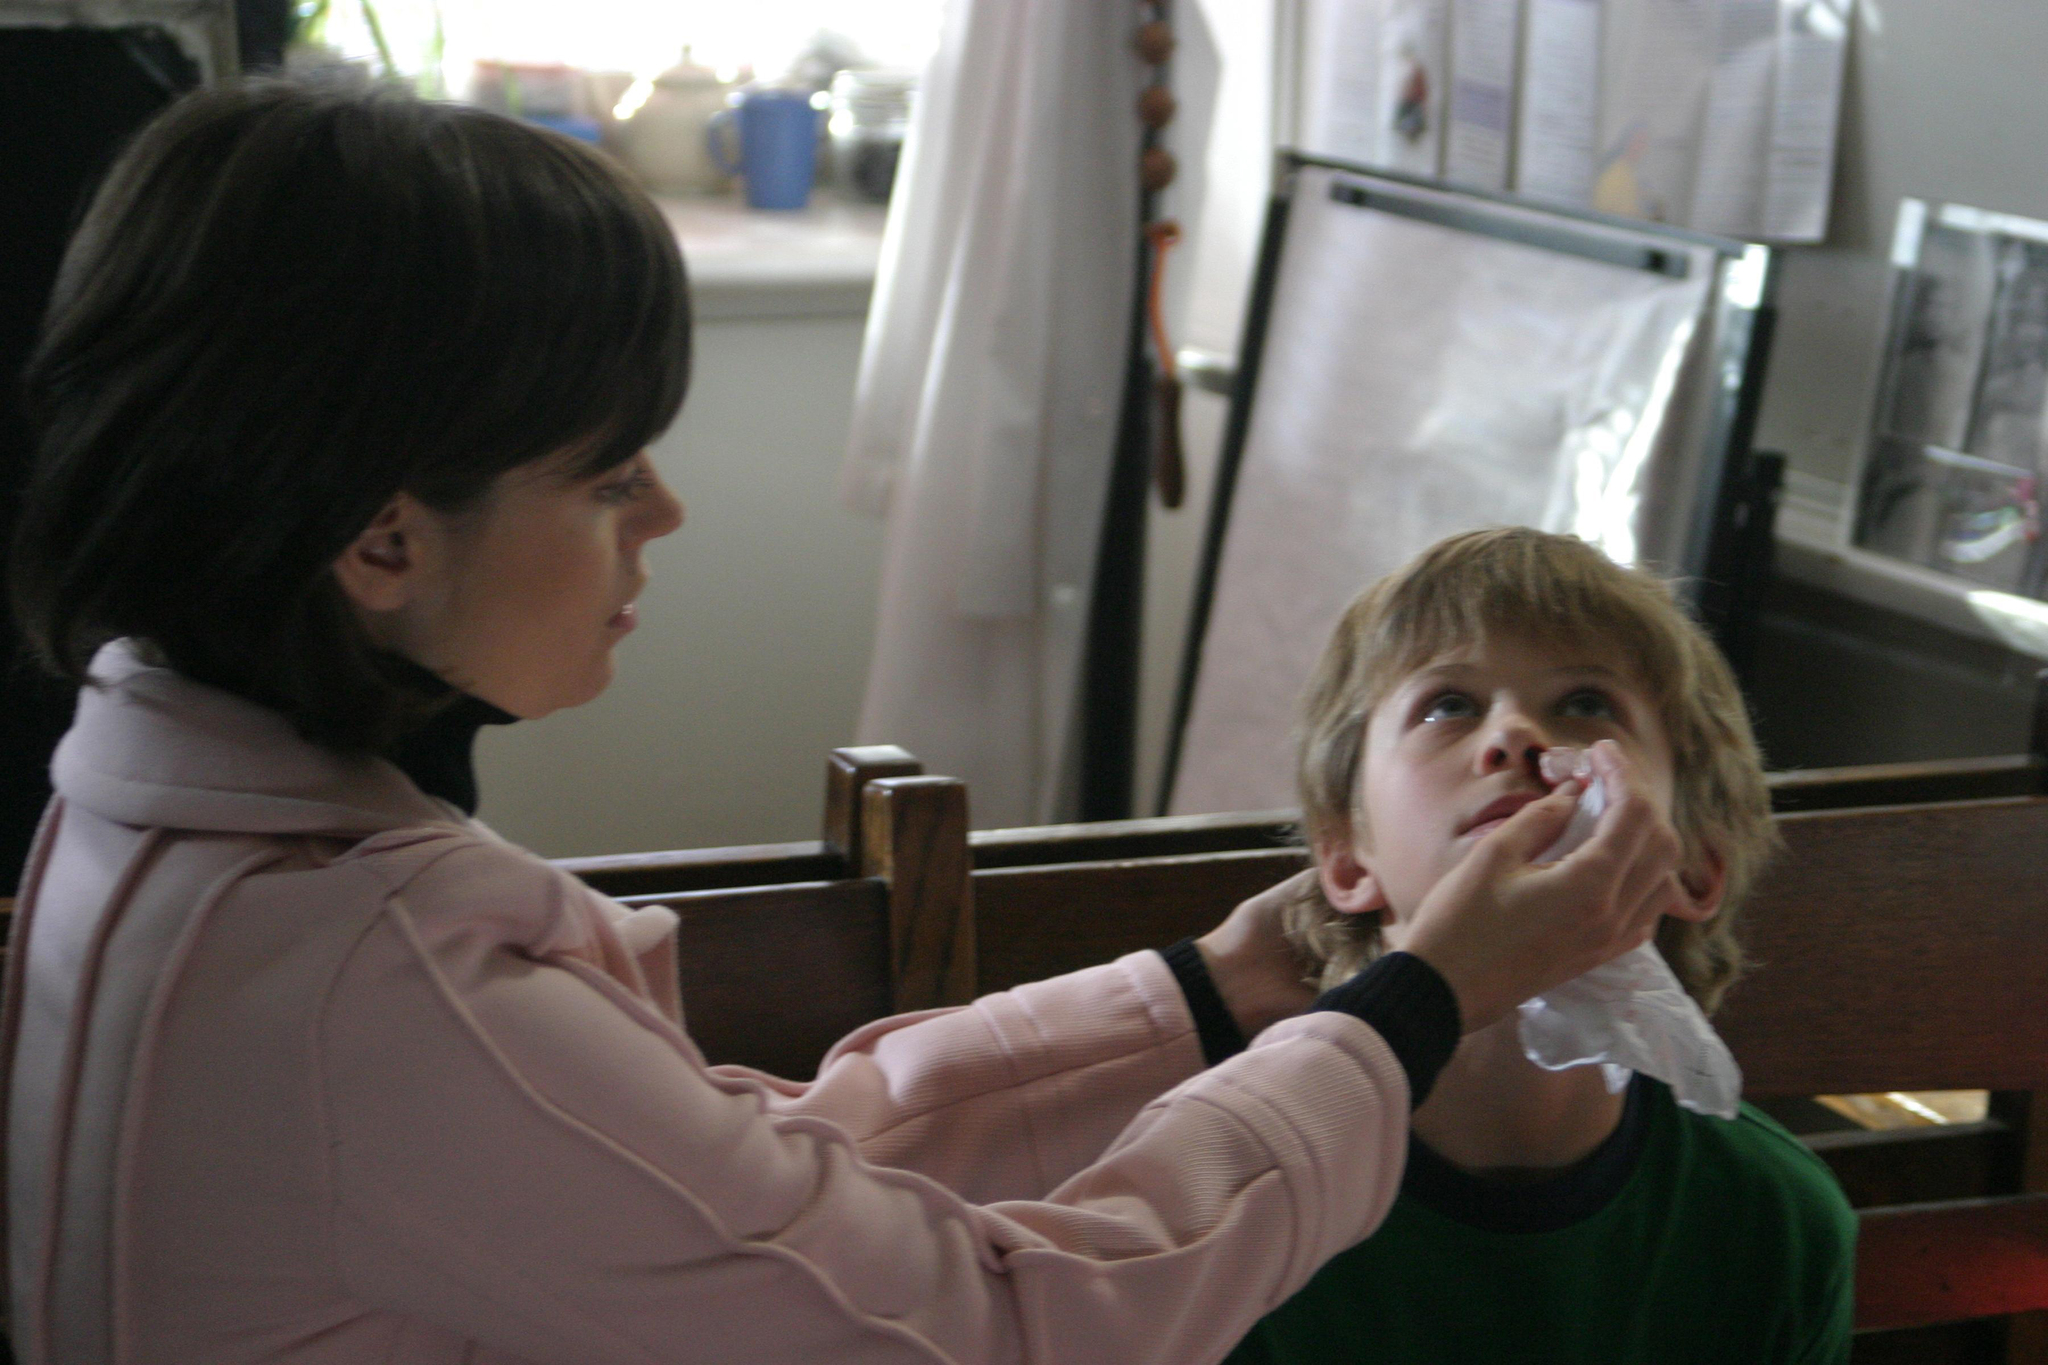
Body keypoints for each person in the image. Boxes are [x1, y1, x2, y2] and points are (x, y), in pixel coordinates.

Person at [2, 83, 1687, 1365]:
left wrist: (1201, 994)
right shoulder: (377, 985)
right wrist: (1412, 1007)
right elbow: (993, 1328)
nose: (660, 510)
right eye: (605, 471)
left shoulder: (157, 815)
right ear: (384, 538)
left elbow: (726, 1192)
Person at [1222, 528, 1857, 1365]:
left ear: (1693, 859)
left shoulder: (1773, 1222)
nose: (1515, 735)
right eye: (1448, 704)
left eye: (1586, 704)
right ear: (1346, 856)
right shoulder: (1235, 1195)